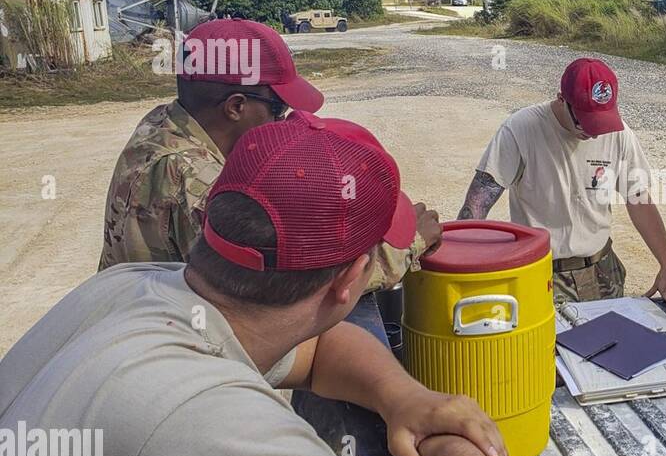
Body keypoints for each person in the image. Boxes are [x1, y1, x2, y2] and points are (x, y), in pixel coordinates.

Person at [0, 113, 521, 456]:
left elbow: (320, 349)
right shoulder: (198, 426)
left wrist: (405, 398)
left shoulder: (131, 289)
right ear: (351, 281)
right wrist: (467, 447)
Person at [99, 17, 433, 287]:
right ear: (236, 107)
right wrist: (407, 246)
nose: (285, 121)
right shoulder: (199, 182)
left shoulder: (163, 124)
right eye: (278, 109)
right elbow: (275, 294)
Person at [459, 56, 666, 309]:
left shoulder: (618, 134)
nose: (593, 132)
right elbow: (476, 207)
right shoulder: (521, 129)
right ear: (561, 99)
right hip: (542, 274)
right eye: (585, 121)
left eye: (600, 122)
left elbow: (638, 199)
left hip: (603, 270)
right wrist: (460, 271)